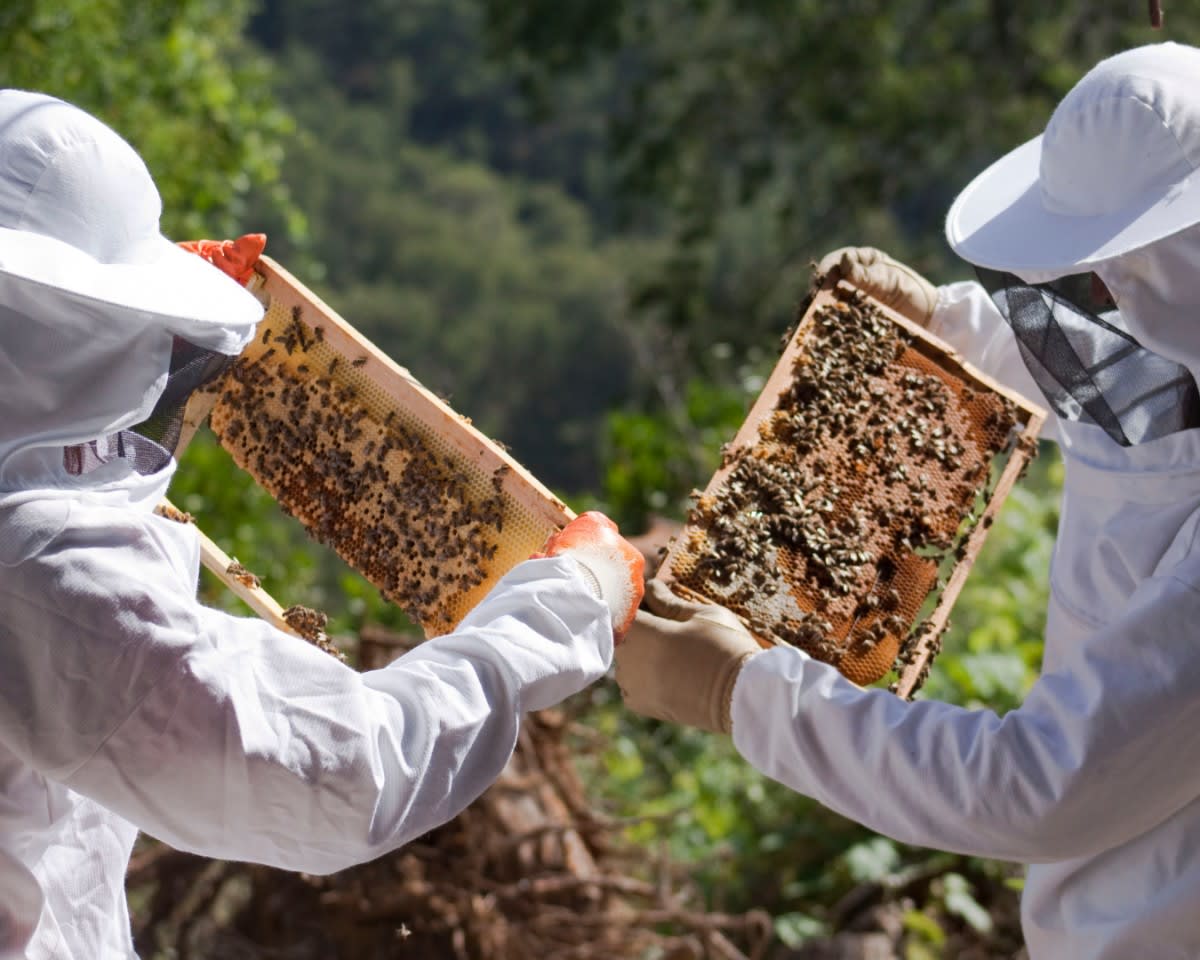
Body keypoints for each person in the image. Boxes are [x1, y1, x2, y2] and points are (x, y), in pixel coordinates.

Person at [0, 89, 644, 959]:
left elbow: (51, 454)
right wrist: (565, 606)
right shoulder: (45, 576)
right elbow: (346, 775)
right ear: (77, 323)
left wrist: (143, 320)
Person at [617, 41, 1200, 959]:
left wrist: (743, 692)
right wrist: (945, 323)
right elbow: (1122, 373)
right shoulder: (1177, 342)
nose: (1101, 296)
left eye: (1118, 268)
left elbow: (1040, 785)